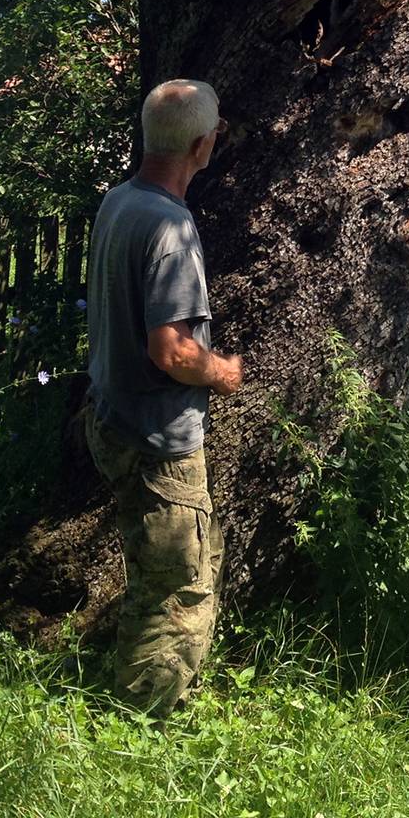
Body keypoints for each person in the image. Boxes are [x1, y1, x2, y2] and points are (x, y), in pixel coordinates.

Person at [84, 78, 243, 715]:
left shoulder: (119, 202)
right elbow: (172, 351)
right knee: (176, 593)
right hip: (158, 440)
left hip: (114, 419)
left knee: (171, 568)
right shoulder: (171, 226)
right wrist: (223, 371)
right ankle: (142, 727)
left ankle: (159, 699)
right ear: (201, 146)